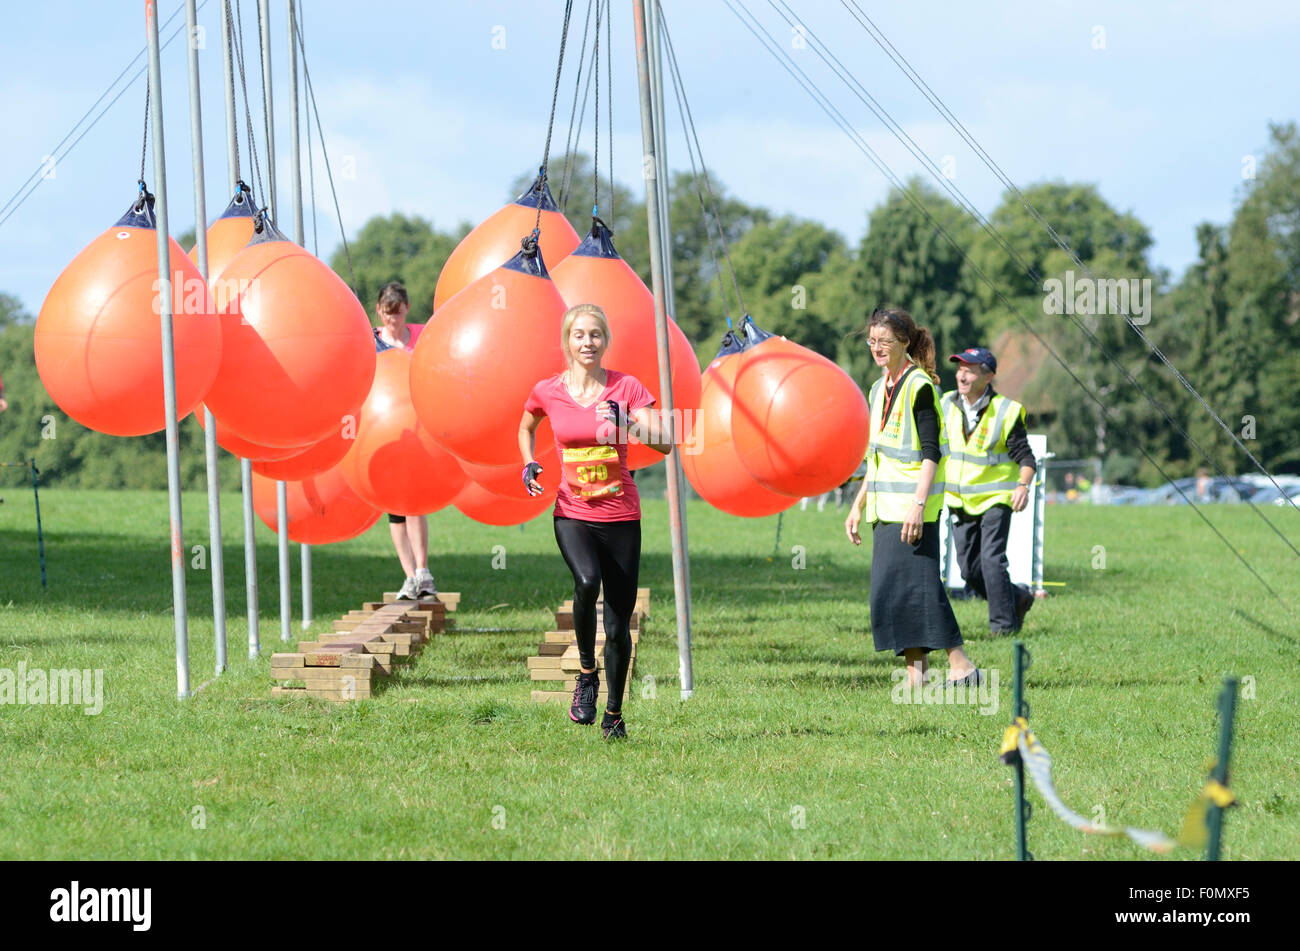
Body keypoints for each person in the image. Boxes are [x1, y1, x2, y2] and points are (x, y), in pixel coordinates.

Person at [518, 303, 670, 739]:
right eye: (579, 335)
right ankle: (587, 674)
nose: (588, 342)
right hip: (572, 512)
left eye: (596, 335)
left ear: (606, 341)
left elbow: (665, 444)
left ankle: (615, 715)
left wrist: (628, 424)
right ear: (567, 341)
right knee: (586, 583)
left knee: (620, 624)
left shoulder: (626, 388)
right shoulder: (548, 390)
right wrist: (528, 463)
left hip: (621, 516)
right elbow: (526, 425)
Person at [845, 308, 980, 689]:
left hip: (914, 508)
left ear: (904, 343)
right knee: (892, 587)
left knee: (920, 584)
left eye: (884, 342)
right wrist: (857, 505)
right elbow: (877, 456)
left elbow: (930, 452)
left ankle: (962, 665)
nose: (877, 348)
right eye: (872, 341)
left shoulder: (920, 387)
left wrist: (918, 506)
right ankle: (916, 674)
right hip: (884, 509)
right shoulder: (877, 388)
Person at [941, 347, 1038, 635]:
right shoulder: (946, 403)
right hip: (960, 499)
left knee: (992, 560)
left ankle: (1003, 628)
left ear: (988, 376)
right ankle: (1017, 598)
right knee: (968, 570)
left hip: (997, 498)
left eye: (969, 370)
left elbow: (1026, 457)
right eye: (960, 369)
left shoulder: (1007, 411)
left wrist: (1023, 486)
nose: (962, 375)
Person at [371, 282, 434, 600]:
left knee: (414, 500)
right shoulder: (373, 340)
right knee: (394, 507)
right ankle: (410, 577)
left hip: (418, 431)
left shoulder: (422, 336)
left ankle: (423, 571)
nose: (393, 320)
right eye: (387, 314)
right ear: (378, 311)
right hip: (382, 433)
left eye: (397, 313)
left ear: (407, 308)